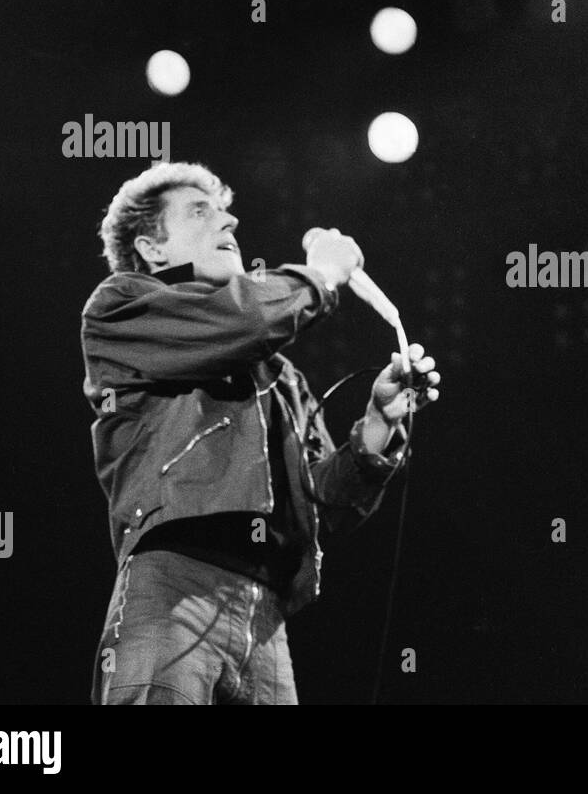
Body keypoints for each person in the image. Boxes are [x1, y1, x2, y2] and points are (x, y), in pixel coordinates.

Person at [80, 161, 439, 705]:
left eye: (225, 211)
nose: (229, 222)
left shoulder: (279, 374)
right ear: (153, 249)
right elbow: (244, 320)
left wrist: (378, 425)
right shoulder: (121, 306)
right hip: (175, 581)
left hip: (266, 615)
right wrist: (320, 276)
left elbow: (321, 504)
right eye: (201, 212)